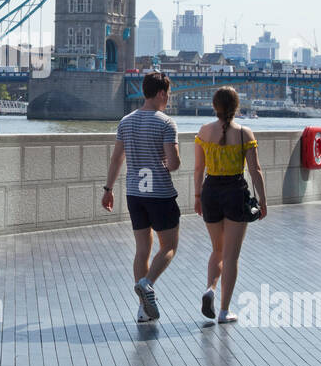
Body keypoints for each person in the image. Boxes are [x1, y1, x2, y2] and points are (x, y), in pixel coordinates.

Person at [103, 71, 180, 323]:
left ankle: (143, 310)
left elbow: (117, 158)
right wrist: (169, 158)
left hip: (134, 193)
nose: (168, 98)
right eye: (167, 93)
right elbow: (174, 162)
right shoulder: (166, 123)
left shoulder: (125, 121)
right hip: (160, 194)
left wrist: (108, 189)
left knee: (142, 250)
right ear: (160, 93)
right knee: (168, 246)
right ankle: (147, 284)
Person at [193, 86, 267, 324]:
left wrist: (197, 195)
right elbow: (255, 171)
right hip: (236, 192)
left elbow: (198, 169)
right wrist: (263, 201)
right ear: (236, 108)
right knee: (231, 256)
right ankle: (224, 311)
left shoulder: (204, 132)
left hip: (210, 192)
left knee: (217, 250)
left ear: (215, 107)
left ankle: (210, 288)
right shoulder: (245, 133)